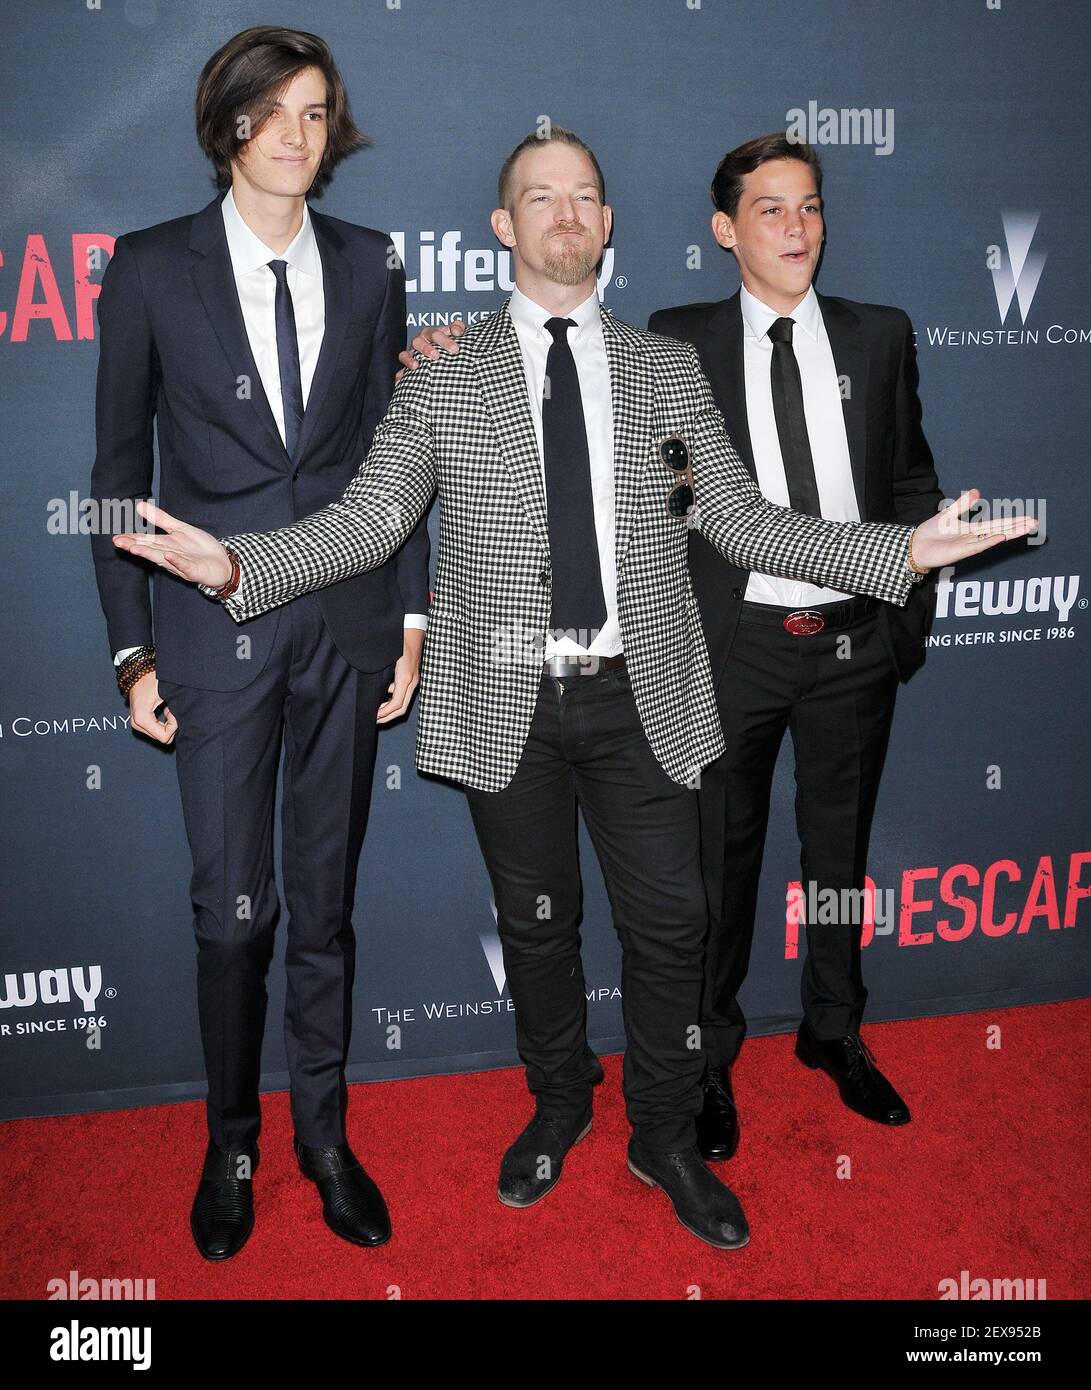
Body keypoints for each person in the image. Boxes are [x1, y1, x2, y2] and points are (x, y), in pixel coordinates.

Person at [112, 127, 1032, 1251]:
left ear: (606, 226)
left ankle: (662, 1133)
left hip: (642, 696)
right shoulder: (446, 375)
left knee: (674, 925)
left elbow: (738, 522)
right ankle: (556, 1103)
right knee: (537, 929)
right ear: (503, 229)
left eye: (584, 197)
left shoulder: (665, 369)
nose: (564, 214)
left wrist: (900, 552)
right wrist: (241, 566)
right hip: (507, 703)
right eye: (538, 198)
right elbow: (368, 521)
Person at [90, 25, 430, 1260]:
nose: (298, 133)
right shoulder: (145, 271)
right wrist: (130, 653)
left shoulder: (372, 261)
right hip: (209, 634)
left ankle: (324, 1135)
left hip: (344, 627)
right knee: (234, 917)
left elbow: (396, 457)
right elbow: (119, 473)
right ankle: (231, 1139)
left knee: (325, 905)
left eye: (317, 112)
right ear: (227, 124)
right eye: (275, 111)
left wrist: (408, 613)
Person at [649, 135, 944, 1160]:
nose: (794, 227)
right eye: (768, 210)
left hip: (852, 645)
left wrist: (903, 606)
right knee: (716, 868)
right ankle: (707, 1058)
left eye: (808, 206)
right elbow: (667, 502)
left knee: (836, 858)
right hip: (733, 650)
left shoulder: (878, 336)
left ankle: (831, 1030)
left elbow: (910, 480)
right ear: (724, 230)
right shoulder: (673, 344)